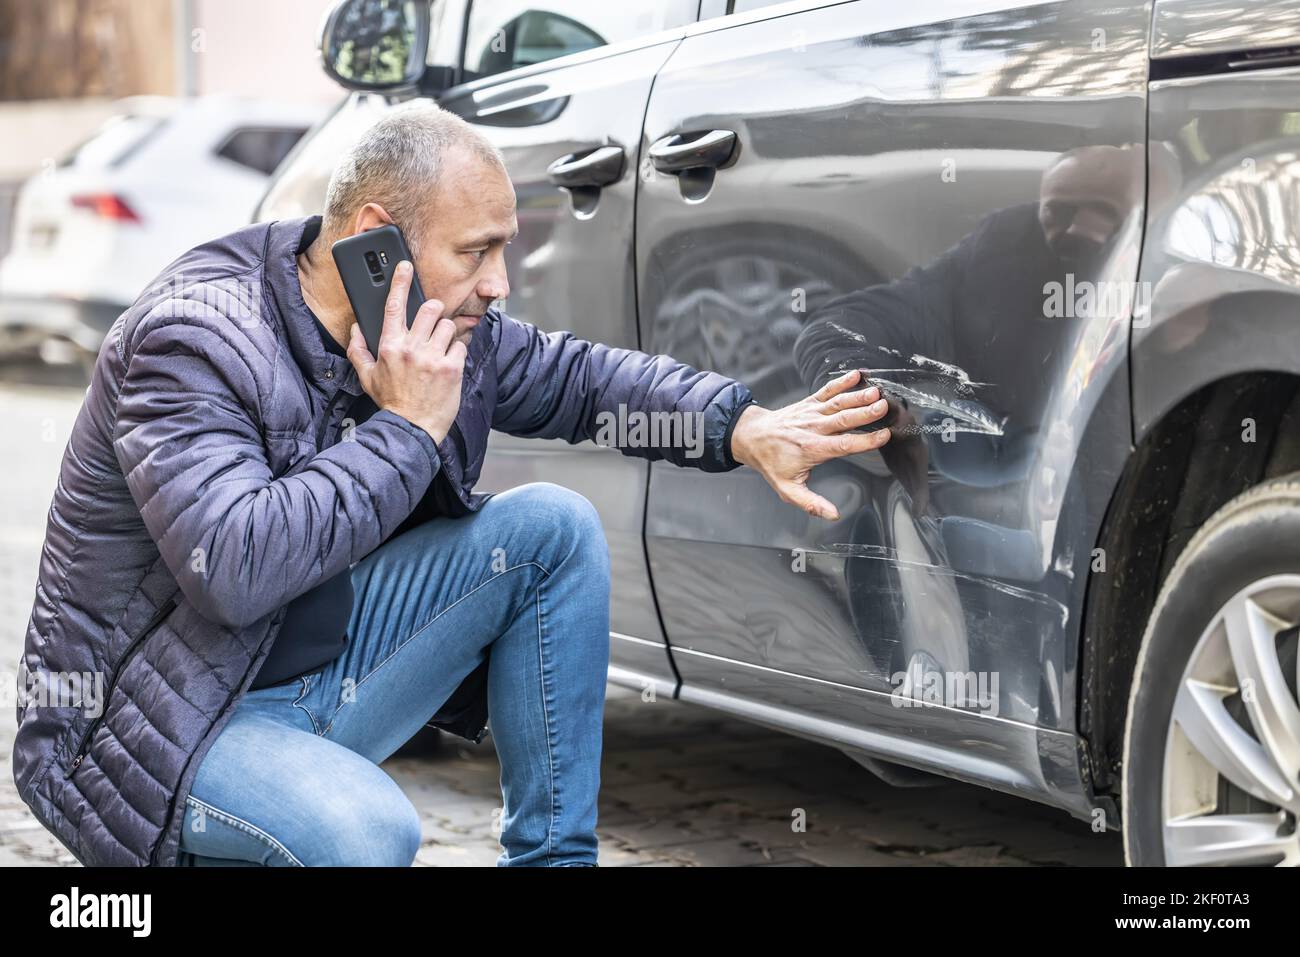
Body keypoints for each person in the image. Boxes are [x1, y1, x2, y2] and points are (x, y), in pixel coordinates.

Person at [12, 101, 893, 867]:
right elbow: (235, 569)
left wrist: (741, 427)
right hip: (157, 729)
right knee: (366, 832)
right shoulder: (194, 339)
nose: (498, 283)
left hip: (311, 676)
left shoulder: (435, 326)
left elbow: (580, 380)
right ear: (374, 239)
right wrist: (406, 428)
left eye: (503, 250)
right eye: (477, 252)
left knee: (551, 529)